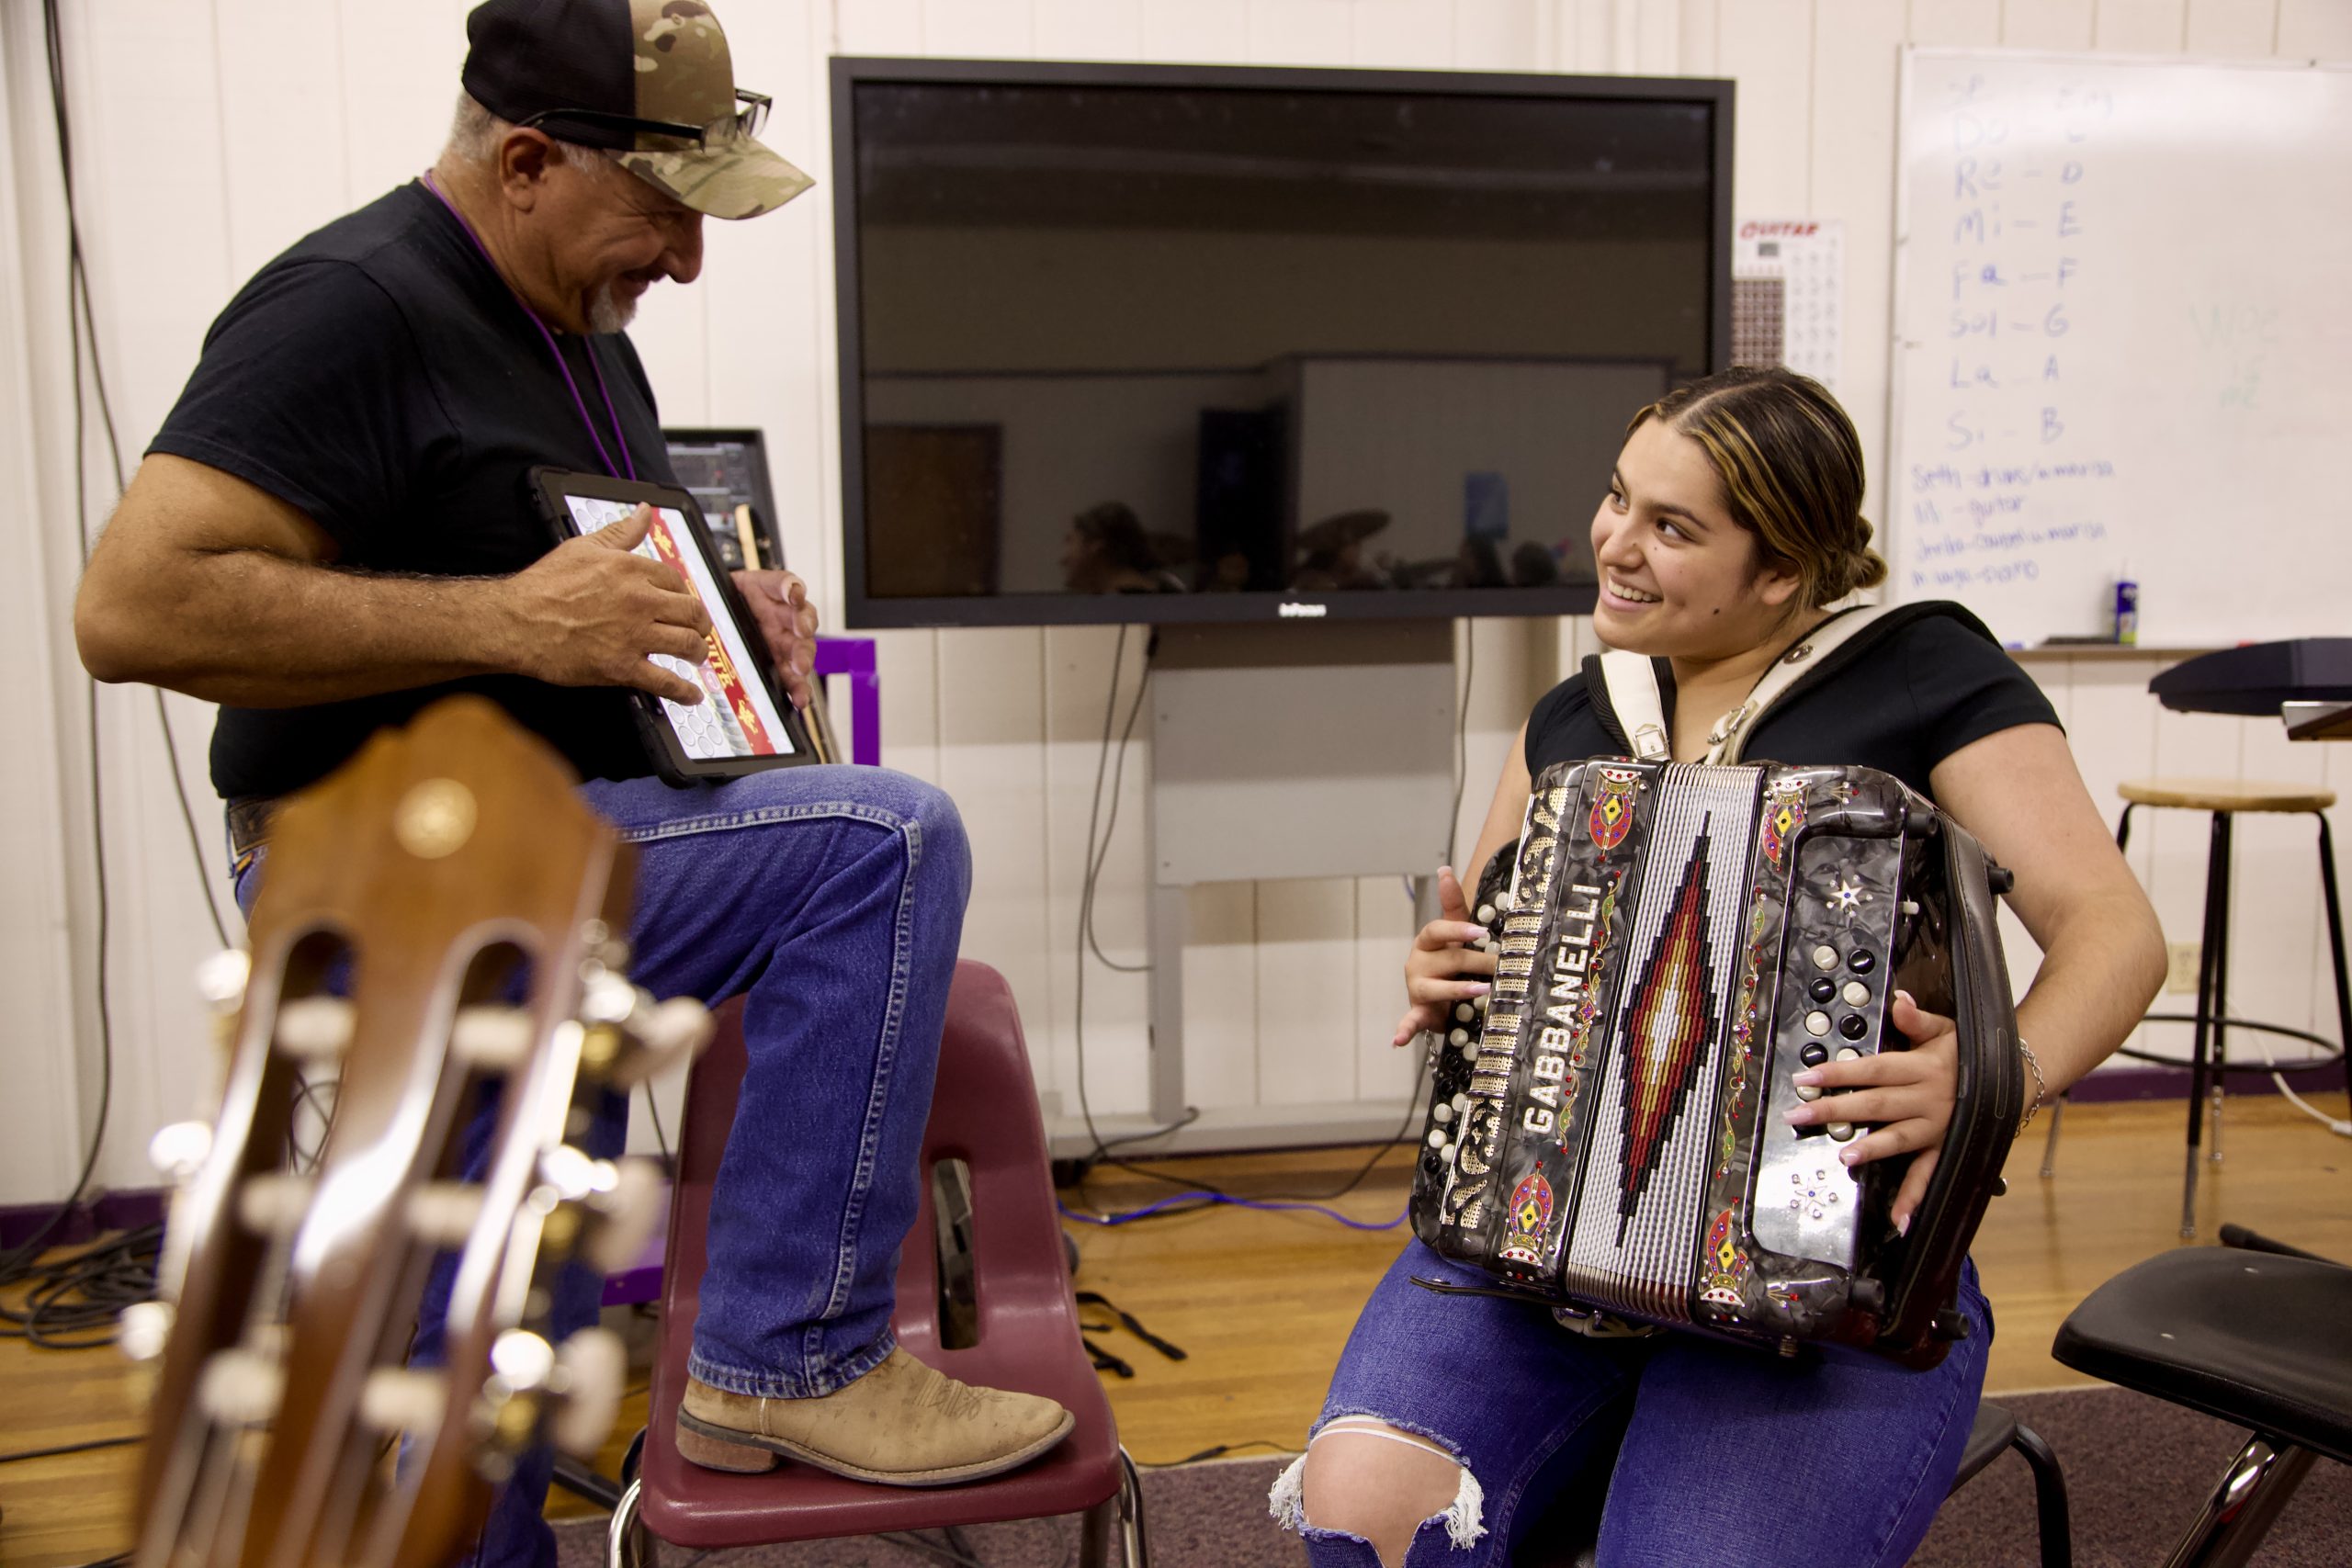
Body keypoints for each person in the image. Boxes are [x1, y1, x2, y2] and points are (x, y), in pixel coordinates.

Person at [71, 3, 1069, 1562]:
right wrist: (509, 622)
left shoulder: (579, 339)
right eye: (662, 210)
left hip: (543, 855)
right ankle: (785, 1358)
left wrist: (736, 624)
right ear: (527, 160)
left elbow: (583, 601)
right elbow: (131, 609)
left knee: (480, 1344)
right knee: (881, 842)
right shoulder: (352, 304)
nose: (683, 259)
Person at [1271, 367, 2165, 1568]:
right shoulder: (1578, 714)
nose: (1614, 544)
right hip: (1534, 1262)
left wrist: (1991, 1073)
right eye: (1616, 499)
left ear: (1782, 573)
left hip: (1823, 1279)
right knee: (1363, 1510)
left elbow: (2117, 931)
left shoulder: (1921, 673)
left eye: (1671, 528)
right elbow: (1492, 952)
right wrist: (1451, 976)